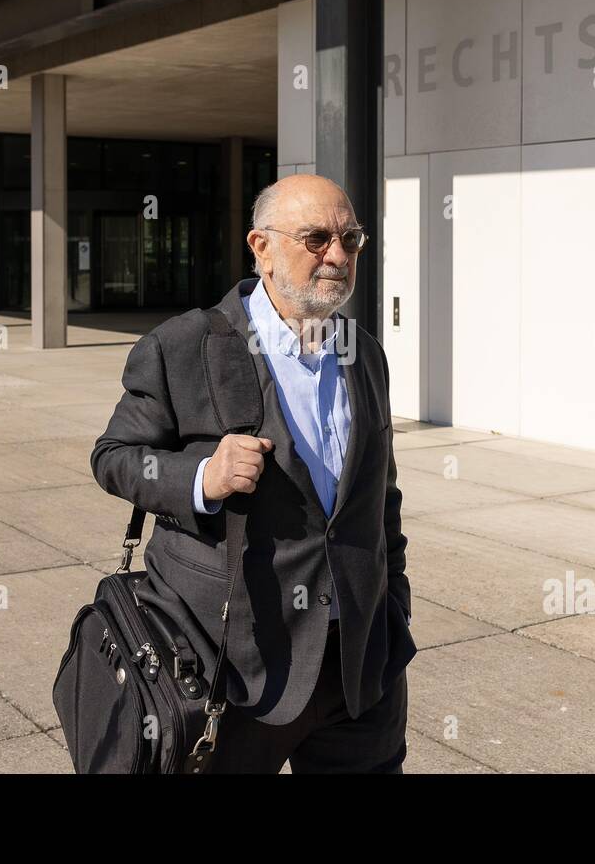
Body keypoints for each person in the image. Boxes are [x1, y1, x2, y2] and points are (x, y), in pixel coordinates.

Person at [91, 173, 416, 773]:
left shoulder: (364, 352)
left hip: (358, 668)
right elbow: (113, 456)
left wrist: (394, 606)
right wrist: (200, 478)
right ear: (261, 247)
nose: (338, 256)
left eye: (352, 240)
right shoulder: (183, 345)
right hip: (232, 671)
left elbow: (381, 497)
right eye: (317, 238)